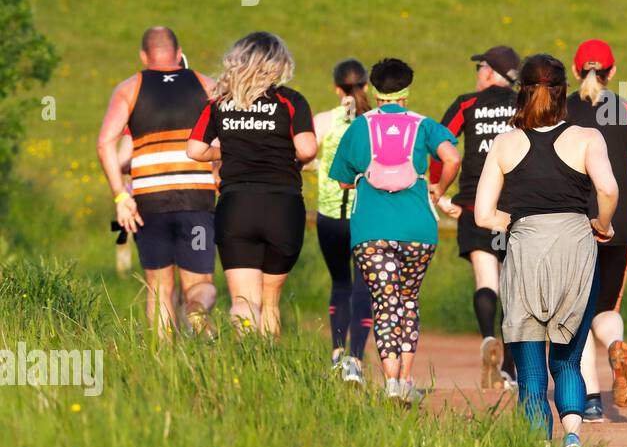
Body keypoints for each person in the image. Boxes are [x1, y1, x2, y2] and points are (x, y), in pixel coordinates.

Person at [474, 54, 618, 447]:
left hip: (525, 251)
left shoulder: (505, 144)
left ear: (521, 94)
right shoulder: (587, 139)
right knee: (568, 359)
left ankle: (538, 446)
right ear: (563, 93)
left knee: (531, 368)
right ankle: (572, 433)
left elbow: (483, 214)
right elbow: (608, 189)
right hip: (576, 248)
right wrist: (601, 225)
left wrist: (516, 217)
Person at [328, 58, 461, 402]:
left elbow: (343, 180)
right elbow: (452, 159)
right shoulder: (424, 125)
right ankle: (405, 380)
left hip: (371, 230)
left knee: (384, 303)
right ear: (407, 90)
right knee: (407, 301)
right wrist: (439, 190)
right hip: (419, 229)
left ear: (374, 90)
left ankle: (389, 383)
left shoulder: (359, 127)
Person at [187, 32, 316, 336]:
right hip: (282, 206)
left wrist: (230, 149)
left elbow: (194, 150)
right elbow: (307, 149)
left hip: (236, 206)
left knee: (244, 301)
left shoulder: (219, 103)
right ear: (278, 63)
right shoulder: (290, 100)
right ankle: (268, 366)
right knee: (270, 300)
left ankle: (245, 362)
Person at [566, 39, 627, 422]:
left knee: (576, 313)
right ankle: (615, 344)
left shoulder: (562, 110)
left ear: (576, 71)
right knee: (606, 307)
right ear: (613, 71)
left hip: (572, 221)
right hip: (618, 224)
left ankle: (590, 401)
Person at [96, 27, 218, 340]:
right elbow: (227, 138)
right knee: (200, 283)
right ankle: (204, 348)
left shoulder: (129, 88)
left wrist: (121, 197)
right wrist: (219, 176)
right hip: (197, 201)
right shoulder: (207, 86)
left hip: (150, 201)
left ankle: (165, 364)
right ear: (179, 54)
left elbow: (104, 144)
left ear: (143, 56)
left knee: (159, 286)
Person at [437, 45, 521, 390]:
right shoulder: (524, 105)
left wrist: (437, 192)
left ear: (489, 73)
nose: (477, 74)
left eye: (480, 67)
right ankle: (510, 372)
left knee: (487, 280)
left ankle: (488, 338)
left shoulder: (466, 104)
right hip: (517, 210)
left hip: (475, 207)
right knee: (515, 291)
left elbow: (440, 146)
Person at [312, 59, 374, 383]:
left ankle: (336, 351)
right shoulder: (372, 122)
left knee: (339, 283)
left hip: (330, 216)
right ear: (365, 86)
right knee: (364, 287)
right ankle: (357, 359)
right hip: (365, 217)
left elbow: (306, 155)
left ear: (337, 88)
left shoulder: (323, 121)